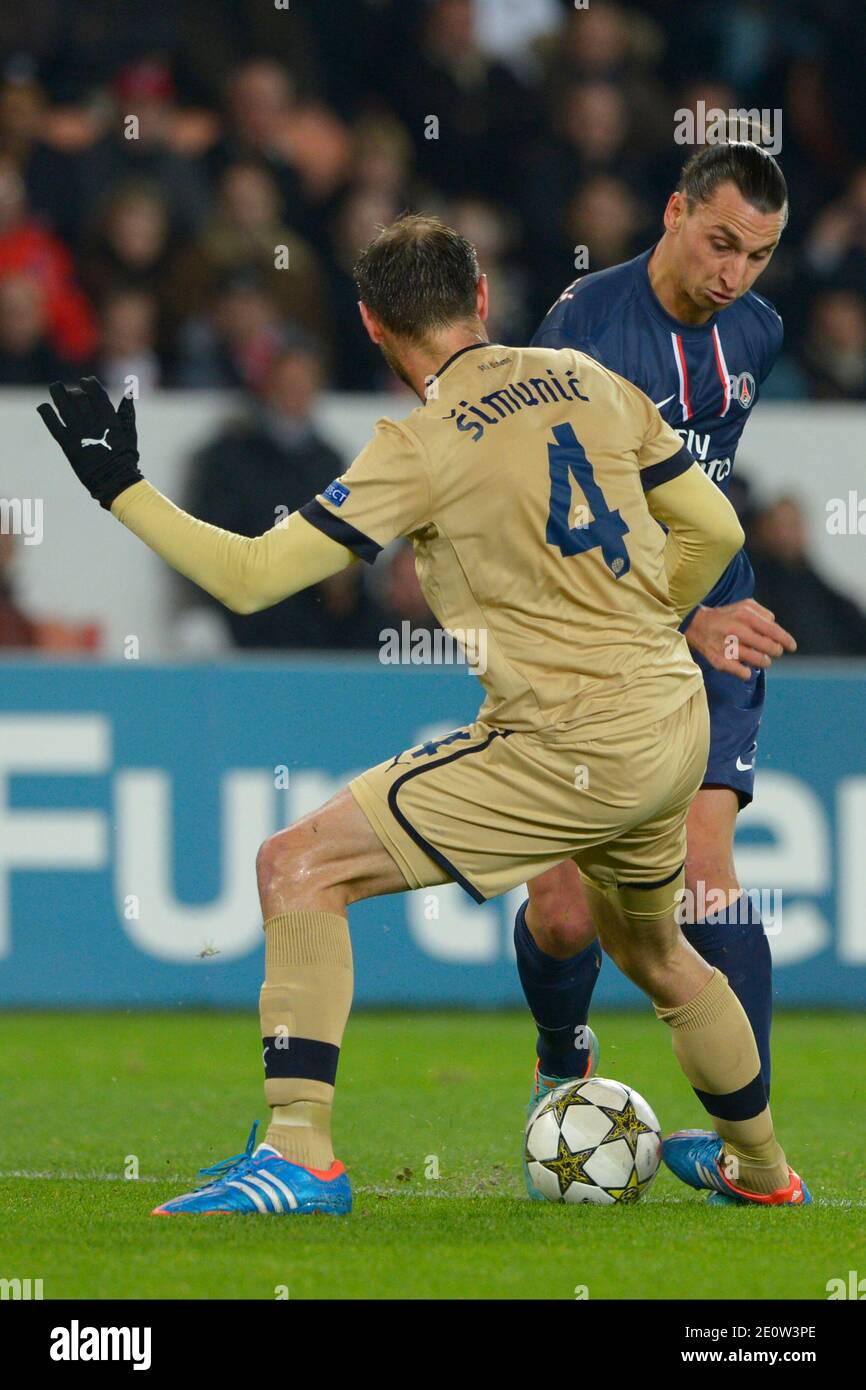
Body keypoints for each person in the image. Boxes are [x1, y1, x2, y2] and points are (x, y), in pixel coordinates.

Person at [37, 213, 809, 1214]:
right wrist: (656, 614)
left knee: (296, 865)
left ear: (369, 324)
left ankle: (301, 1153)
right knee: (655, 950)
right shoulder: (593, 381)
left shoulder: (422, 443)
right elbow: (712, 526)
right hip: (670, 720)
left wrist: (118, 488)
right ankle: (761, 1170)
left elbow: (248, 576)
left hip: (564, 741)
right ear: (481, 297)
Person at [521, 141, 797, 1168]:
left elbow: (700, 487)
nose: (732, 273)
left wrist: (707, 604)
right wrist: (674, 615)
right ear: (674, 211)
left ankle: (742, 1145)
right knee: (559, 910)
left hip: (711, 635)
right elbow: (566, 525)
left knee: (707, 874)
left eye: (756, 255)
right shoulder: (581, 334)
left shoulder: (757, 334)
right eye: (719, 241)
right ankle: (561, 1063)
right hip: (590, 637)